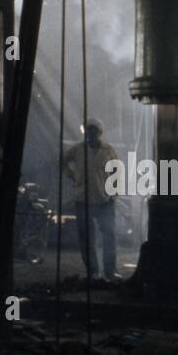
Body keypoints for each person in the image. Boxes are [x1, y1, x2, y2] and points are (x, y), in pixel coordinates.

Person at [64, 118, 120, 283]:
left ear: (100, 133)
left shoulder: (108, 150)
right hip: (83, 199)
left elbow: (116, 171)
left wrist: (113, 192)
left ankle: (110, 271)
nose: (90, 134)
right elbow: (62, 161)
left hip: (104, 200)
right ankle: (93, 272)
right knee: (87, 238)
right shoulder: (77, 149)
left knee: (109, 236)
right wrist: (71, 174)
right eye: (88, 131)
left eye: (93, 131)